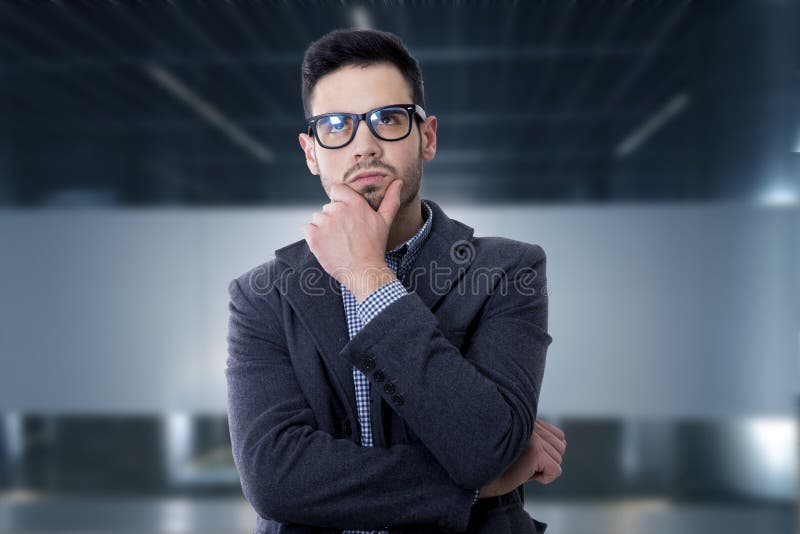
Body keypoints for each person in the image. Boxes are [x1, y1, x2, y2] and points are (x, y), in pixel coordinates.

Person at [225, 28, 566, 534]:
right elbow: (276, 480)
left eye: (387, 119)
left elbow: (484, 446)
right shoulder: (259, 296)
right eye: (336, 125)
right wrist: (471, 488)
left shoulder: (510, 270)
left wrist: (368, 277)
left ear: (427, 137)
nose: (364, 146)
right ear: (311, 152)